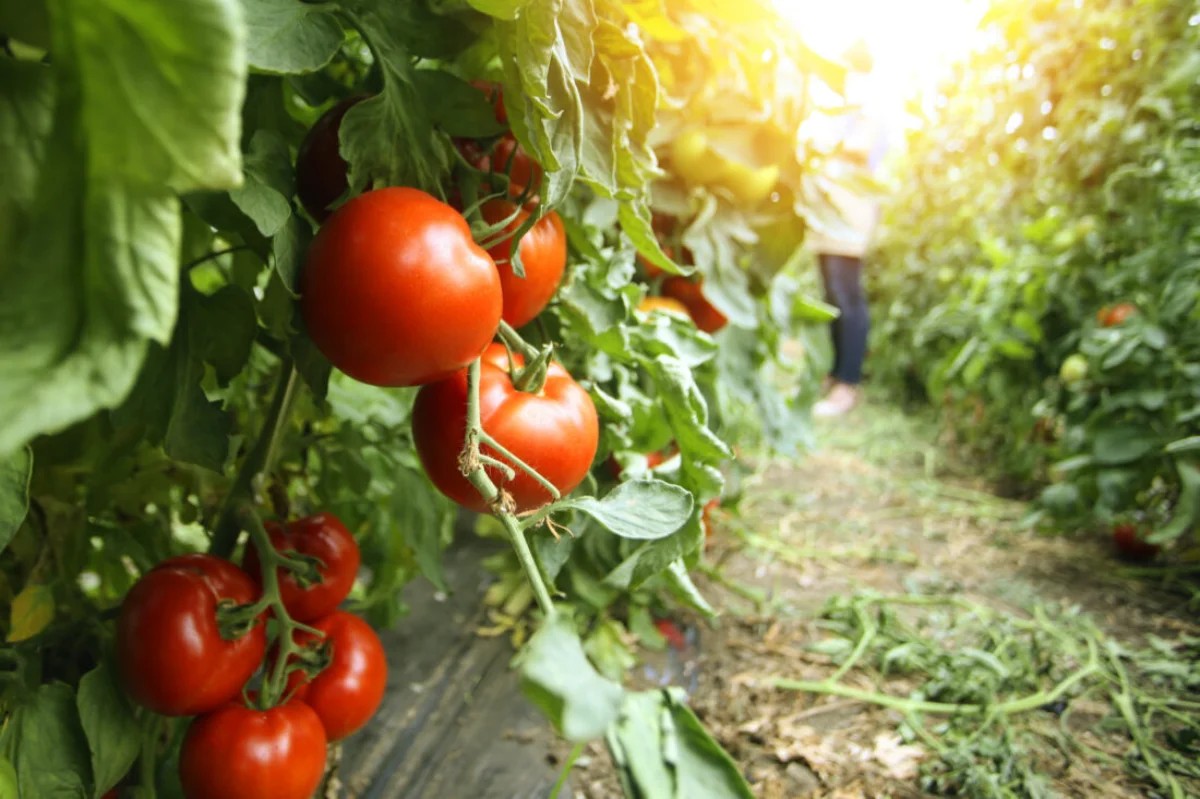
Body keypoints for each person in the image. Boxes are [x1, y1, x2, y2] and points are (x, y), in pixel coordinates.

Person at [807, 43, 887, 419]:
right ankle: (837, 373)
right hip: (829, 212)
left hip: (850, 213)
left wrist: (817, 145)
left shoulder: (868, 104)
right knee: (832, 294)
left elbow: (859, 150)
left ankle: (847, 384)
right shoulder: (843, 106)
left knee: (847, 295)